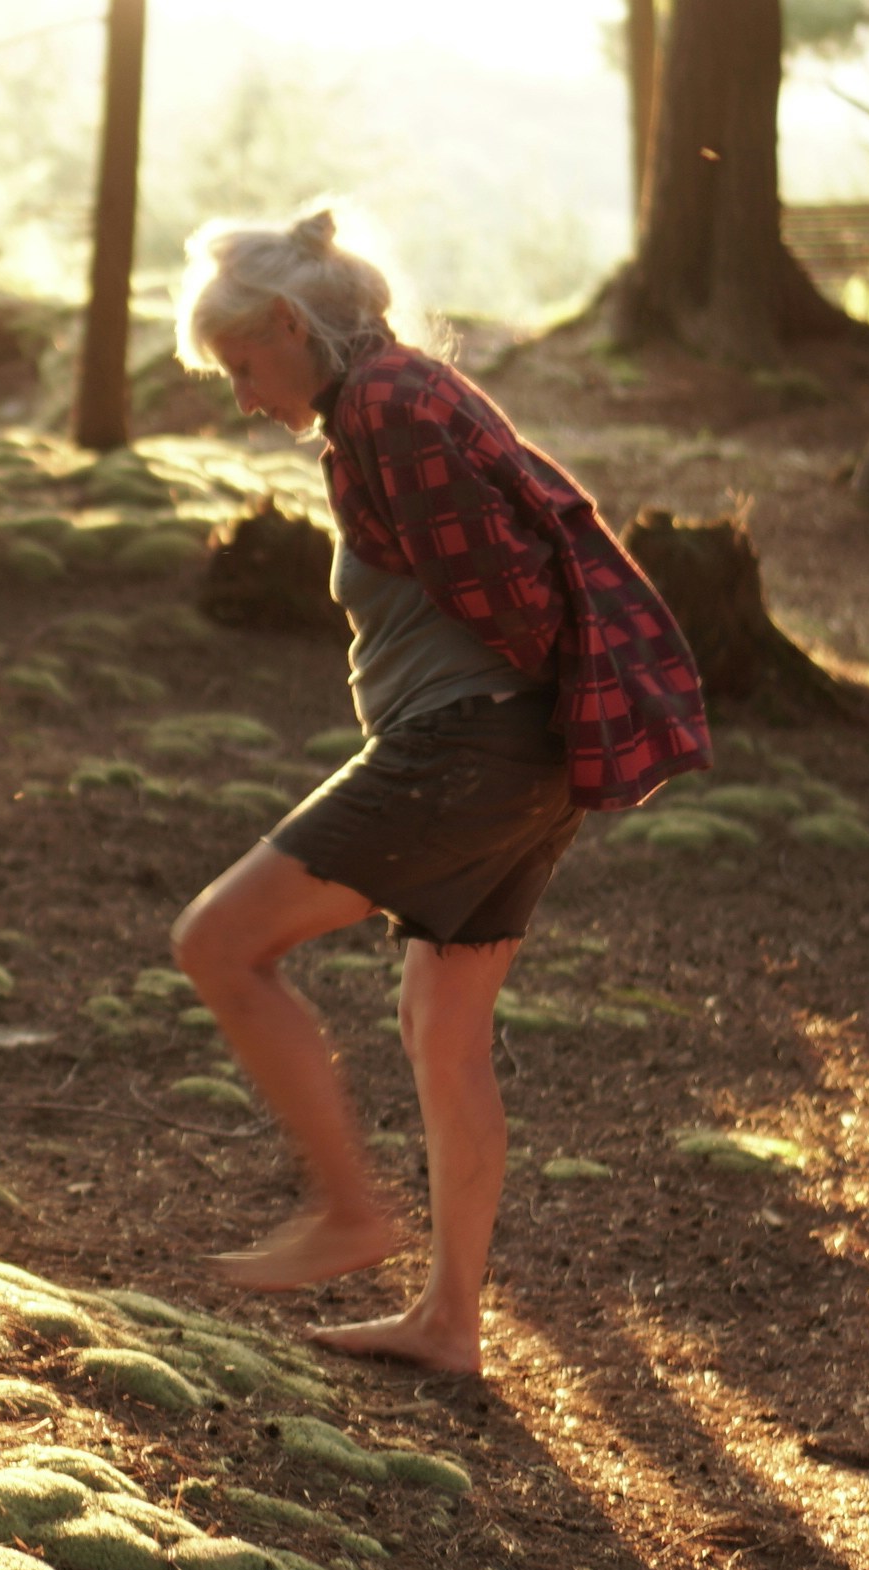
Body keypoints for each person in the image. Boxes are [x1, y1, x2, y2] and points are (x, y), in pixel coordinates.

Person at [167, 209, 709, 1375]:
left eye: (241, 366)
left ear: (283, 324)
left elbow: (512, 595)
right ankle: (448, 1320)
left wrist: (492, 750)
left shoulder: (386, 411)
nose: (242, 394)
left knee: (218, 940)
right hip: (517, 756)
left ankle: (350, 1213)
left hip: (469, 750)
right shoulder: (391, 399)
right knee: (440, 1028)